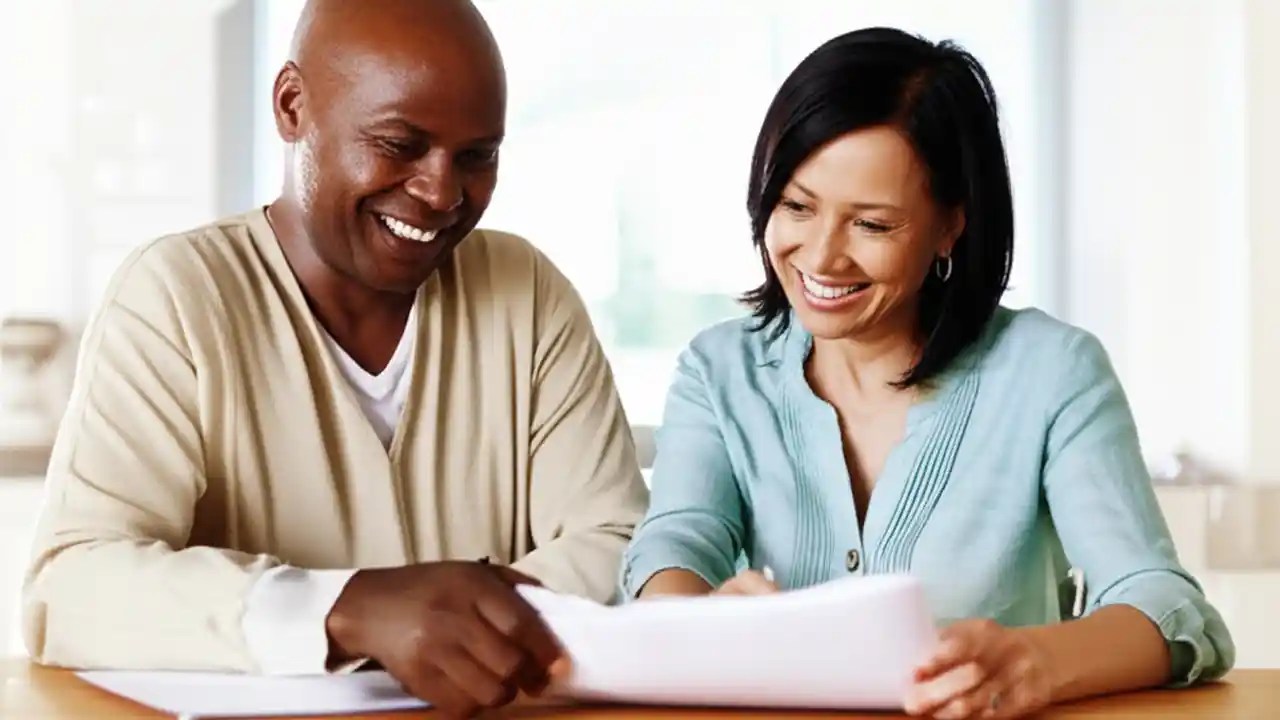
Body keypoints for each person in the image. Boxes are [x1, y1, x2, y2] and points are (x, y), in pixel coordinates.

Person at [21, 1, 648, 717]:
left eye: (477, 156)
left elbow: (622, 541)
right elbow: (71, 587)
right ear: (292, 106)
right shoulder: (177, 294)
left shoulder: (524, 290)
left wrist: (451, 630)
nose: (442, 192)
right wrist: (346, 609)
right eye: (398, 144)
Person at [620, 27, 1234, 719]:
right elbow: (670, 550)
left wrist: (1038, 661)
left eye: (872, 225)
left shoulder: (1051, 372)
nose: (821, 257)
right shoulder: (720, 369)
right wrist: (691, 621)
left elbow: (1169, 607)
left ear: (951, 228)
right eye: (796, 206)